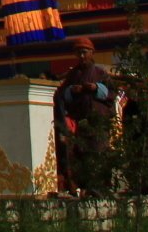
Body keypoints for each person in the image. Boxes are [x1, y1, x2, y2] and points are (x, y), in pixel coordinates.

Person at [54, 37, 110, 195]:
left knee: (98, 153)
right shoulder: (73, 74)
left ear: (92, 53)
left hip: (98, 122)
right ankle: (84, 188)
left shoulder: (100, 73)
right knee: (80, 155)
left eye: (84, 52)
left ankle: (100, 187)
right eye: (78, 53)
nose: (82, 56)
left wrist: (95, 88)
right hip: (80, 122)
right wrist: (72, 91)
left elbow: (111, 93)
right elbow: (62, 95)